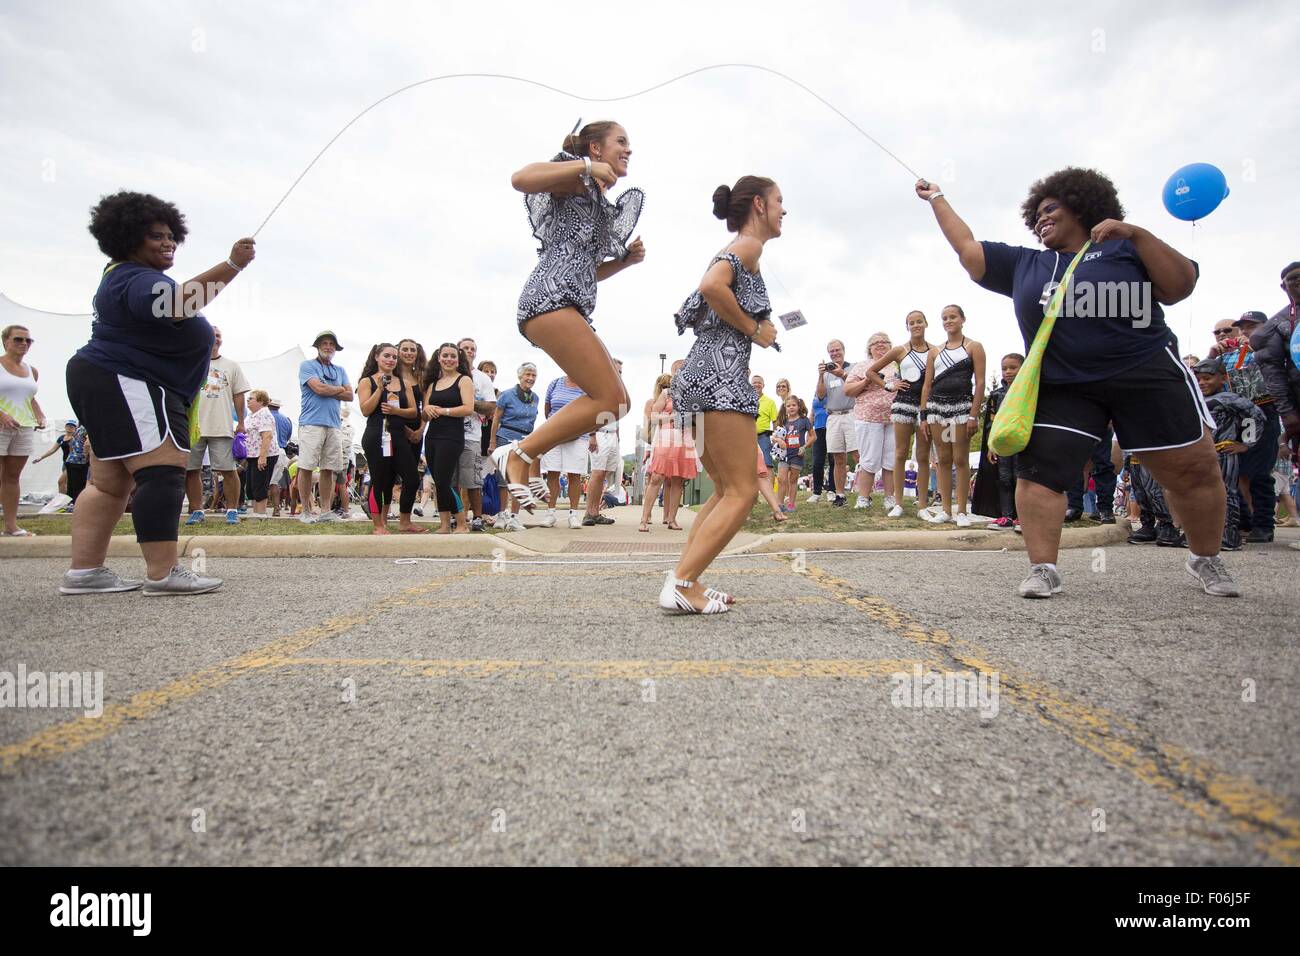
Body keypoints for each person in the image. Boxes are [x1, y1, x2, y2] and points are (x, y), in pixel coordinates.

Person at [915, 167, 1236, 597]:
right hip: (1062, 385)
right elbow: (968, 248)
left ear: (1084, 206)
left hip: (1145, 373)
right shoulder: (1027, 263)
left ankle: (1205, 559)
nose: (1041, 220)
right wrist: (937, 197)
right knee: (1039, 474)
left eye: (1052, 210)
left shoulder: (1125, 247)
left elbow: (1180, 285)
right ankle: (1043, 568)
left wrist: (1137, 234)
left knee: (1191, 471)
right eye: (1036, 216)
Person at [61, 190, 253, 594]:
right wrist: (232, 265)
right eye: (155, 236)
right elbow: (174, 304)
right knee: (163, 470)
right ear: (128, 238)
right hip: (131, 379)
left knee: (109, 482)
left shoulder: (120, 277)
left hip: (103, 376)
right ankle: (163, 572)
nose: (167, 243)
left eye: (171, 236)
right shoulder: (137, 278)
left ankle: (85, 572)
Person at [499, 120, 645, 512]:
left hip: (570, 301)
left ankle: (524, 456)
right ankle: (520, 455)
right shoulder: (575, 178)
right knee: (610, 397)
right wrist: (583, 168)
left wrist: (624, 263)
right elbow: (521, 178)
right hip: (548, 298)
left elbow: (587, 270)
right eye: (621, 142)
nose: (629, 149)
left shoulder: (598, 204)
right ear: (595, 149)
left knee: (616, 401)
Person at [666, 175, 782, 614]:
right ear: (758, 204)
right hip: (720, 375)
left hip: (698, 373)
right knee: (743, 490)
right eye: (778, 201)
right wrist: (754, 328)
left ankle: (684, 578)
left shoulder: (741, 249)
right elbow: (711, 286)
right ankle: (683, 583)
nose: (783, 210)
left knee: (723, 486)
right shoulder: (746, 247)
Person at [918, 304, 985, 527]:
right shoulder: (935, 351)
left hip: (960, 410)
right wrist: (924, 415)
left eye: (953, 317)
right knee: (943, 459)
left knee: (960, 459)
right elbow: (927, 385)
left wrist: (974, 415)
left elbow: (981, 382)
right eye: (945, 317)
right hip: (937, 410)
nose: (948, 321)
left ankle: (962, 511)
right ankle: (946, 509)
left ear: (962, 319)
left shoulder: (974, 347)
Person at [1193, 358, 1266, 551]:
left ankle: (1230, 535)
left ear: (1223, 378)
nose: (1202, 383)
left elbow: (1257, 416)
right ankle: (1205, 534)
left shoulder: (1233, 399)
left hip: (1223, 453)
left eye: (1207, 378)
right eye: (1198, 378)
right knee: (1201, 495)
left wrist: (1245, 444)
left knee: (1226, 493)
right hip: (1200, 455)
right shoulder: (1194, 399)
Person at [1221, 310, 1281, 544]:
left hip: (1265, 409)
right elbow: (1208, 376)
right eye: (1243, 327)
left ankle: (1264, 524)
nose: (1246, 331)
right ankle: (1244, 521)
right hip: (1238, 413)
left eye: (1252, 326)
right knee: (1238, 472)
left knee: (1259, 471)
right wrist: (1215, 352)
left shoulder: (1273, 348)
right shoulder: (1229, 355)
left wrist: (1255, 346)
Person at [183, 325, 249, 526]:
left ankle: (231, 510)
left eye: (218, 335)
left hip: (221, 425)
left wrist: (241, 422)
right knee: (191, 469)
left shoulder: (231, 366)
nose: (215, 339)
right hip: (194, 426)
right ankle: (197, 510)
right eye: (211, 335)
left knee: (227, 469)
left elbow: (239, 395)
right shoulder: (190, 363)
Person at [870, 311, 933, 518]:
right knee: (900, 453)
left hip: (926, 405)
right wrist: (888, 385)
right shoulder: (900, 350)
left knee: (923, 455)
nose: (916, 325)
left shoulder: (935, 350)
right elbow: (871, 371)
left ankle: (922, 505)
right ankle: (898, 503)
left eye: (919, 321)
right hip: (903, 403)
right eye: (911, 322)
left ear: (926, 324)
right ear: (907, 326)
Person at [358, 343, 424, 534]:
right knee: (380, 480)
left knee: (412, 478)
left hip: (397, 435)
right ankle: (378, 525)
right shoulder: (367, 381)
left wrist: (397, 410)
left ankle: (405, 521)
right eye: (387, 356)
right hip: (375, 434)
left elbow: (413, 412)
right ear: (377, 357)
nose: (391, 360)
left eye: (394, 357)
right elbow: (365, 410)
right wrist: (379, 389)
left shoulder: (404, 383)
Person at [297, 331, 353, 524]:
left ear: (335, 348)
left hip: (333, 424)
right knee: (306, 467)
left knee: (329, 469)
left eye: (331, 344)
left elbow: (350, 396)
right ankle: (305, 511)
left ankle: (326, 511)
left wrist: (331, 390)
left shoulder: (340, 370)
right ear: (317, 346)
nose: (328, 346)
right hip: (311, 423)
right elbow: (318, 389)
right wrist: (339, 389)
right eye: (324, 343)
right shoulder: (307, 366)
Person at [421, 343, 475, 534]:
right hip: (432, 436)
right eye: (445, 355)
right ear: (438, 358)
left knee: (444, 481)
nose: (449, 359)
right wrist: (426, 410)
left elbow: (468, 408)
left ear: (458, 360)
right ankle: (444, 524)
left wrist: (443, 411)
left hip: (452, 436)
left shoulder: (464, 380)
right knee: (437, 481)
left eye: (453, 356)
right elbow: (425, 414)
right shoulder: (432, 384)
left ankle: (461, 523)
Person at [0, 324, 46, 536]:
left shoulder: (31, 371)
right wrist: (2, 415)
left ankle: (11, 526)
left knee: (12, 477)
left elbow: (30, 397)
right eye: (18, 339)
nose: (24, 344)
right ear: (6, 341)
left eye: (28, 340)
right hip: (1, 424)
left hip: (23, 427)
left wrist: (40, 415)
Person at [1251, 261, 1300, 450]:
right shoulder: (1276, 325)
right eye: (1293, 278)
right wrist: (1287, 413)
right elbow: (1273, 372)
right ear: (1283, 286)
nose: (1299, 281)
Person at [973, 353, 1024, 529]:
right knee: (1004, 479)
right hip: (1002, 445)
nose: (1008, 372)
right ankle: (1006, 515)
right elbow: (991, 423)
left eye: (1013, 368)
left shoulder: (1028, 392)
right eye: (1004, 368)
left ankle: (1022, 517)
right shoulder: (996, 395)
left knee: (1020, 478)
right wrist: (990, 446)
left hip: (1022, 444)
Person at [845, 333, 896, 510]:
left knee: (891, 460)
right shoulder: (862, 366)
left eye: (885, 342)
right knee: (869, 459)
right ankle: (864, 497)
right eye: (876, 343)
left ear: (891, 346)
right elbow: (848, 390)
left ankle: (890, 497)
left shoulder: (898, 365)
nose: (881, 345)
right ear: (869, 348)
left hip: (894, 418)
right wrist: (868, 379)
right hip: (868, 417)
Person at [488, 362, 541, 532]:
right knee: (504, 480)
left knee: (520, 480)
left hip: (525, 440)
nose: (530, 378)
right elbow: (496, 419)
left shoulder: (536, 398)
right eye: (527, 375)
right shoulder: (506, 395)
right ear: (520, 376)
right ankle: (502, 514)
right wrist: (492, 442)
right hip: (506, 437)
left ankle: (514, 517)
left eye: (533, 376)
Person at [455, 338, 497, 531]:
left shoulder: (482, 378)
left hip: (472, 435)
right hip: (448, 433)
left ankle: (477, 517)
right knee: (450, 480)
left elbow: (490, 407)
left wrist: (467, 405)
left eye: (473, 349)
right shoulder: (447, 374)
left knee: (472, 479)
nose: (469, 351)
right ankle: (456, 516)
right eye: (465, 348)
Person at [539, 374, 590, 529]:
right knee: (553, 473)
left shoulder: (586, 384)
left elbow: (590, 410)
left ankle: (573, 515)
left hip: (578, 436)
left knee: (574, 475)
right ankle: (550, 514)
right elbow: (547, 409)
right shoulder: (555, 383)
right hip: (555, 433)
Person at [584, 358, 625, 527]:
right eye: (617, 370)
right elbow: (590, 412)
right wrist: (592, 434)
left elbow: (619, 415)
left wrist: (618, 437)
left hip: (613, 435)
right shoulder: (597, 387)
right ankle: (589, 513)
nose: (619, 374)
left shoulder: (619, 392)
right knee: (598, 472)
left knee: (606, 474)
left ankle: (596, 511)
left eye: (621, 372)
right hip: (599, 433)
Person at [814, 339, 855, 507]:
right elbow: (821, 395)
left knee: (858, 454)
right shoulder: (827, 373)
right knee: (838, 456)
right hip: (833, 415)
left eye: (837, 350)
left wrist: (842, 374)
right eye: (831, 351)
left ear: (843, 350)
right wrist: (821, 375)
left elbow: (858, 386)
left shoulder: (853, 367)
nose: (835, 353)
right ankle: (839, 494)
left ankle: (865, 493)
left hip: (851, 413)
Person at [243, 390, 281, 518]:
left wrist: (262, 456)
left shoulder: (264, 414)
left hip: (264, 455)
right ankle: (255, 512)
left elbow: (267, 436)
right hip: (252, 455)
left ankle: (261, 513)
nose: (248, 400)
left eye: (251, 398)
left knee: (260, 484)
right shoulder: (251, 415)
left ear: (261, 401)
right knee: (251, 486)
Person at [773, 395, 812, 512]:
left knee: (793, 480)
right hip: (784, 454)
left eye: (793, 405)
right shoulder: (783, 421)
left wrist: (804, 447)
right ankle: (779, 504)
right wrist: (778, 440)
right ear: (785, 408)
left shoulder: (804, 420)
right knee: (781, 479)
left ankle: (791, 504)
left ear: (798, 406)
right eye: (788, 406)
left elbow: (813, 436)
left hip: (797, 455)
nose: (791, 408)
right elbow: (774, 436)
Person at [32, 420, 79, 501]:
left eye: (72, 426)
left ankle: (61, 502)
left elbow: (76, 452)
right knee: (67, 483)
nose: (69, 428)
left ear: (75, 428)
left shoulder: (76, 439)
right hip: (65, 463)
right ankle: (67, 502)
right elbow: (53, 450)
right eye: (68, 426)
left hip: (73, 463)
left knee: (61, 482)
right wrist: (41, 457)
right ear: (65, 427)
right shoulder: (61, 438)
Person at [267, 397, 293, 516]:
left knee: (264, 481)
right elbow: (287, 438)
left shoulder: (266, 417)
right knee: (275, 482)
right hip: (281, 451)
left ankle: (261, 508)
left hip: (268, 450)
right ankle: (276, 508)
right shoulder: (287, 420)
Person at [807, 391, 831, 502]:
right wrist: (809, 431)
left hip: (832, 427)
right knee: (817, 461)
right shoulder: (816, 394)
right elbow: (812, 413)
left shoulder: (833, 391)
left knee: (833, 460)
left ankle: (832, 490)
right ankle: (816, 492)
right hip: (818, 430)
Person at [752, 374, 779, 472]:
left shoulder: (770, 402)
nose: (757, 384)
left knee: (767, 465)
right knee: (748, 465)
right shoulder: (746, 400)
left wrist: (775, 438)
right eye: (754, 382)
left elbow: (775, 422)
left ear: (763, 385)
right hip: (748, 437)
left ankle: (769, 488)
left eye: (759, 382)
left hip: (763, 437)